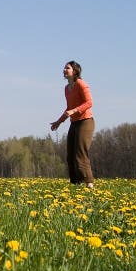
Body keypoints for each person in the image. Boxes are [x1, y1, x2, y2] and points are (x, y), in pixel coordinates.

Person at [50, 60, 95, 188]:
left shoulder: (81, 84)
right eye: (64, 68)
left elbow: (89, 103)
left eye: (67, 68)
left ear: (75, 71)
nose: (64, 70)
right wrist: (59, 122)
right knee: (70, 155)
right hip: (74, 122)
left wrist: (75, 110)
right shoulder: (67, 88)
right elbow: (69, 108)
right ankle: (76, 184)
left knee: (80, 153)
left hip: (86, 121)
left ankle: (89, 183)